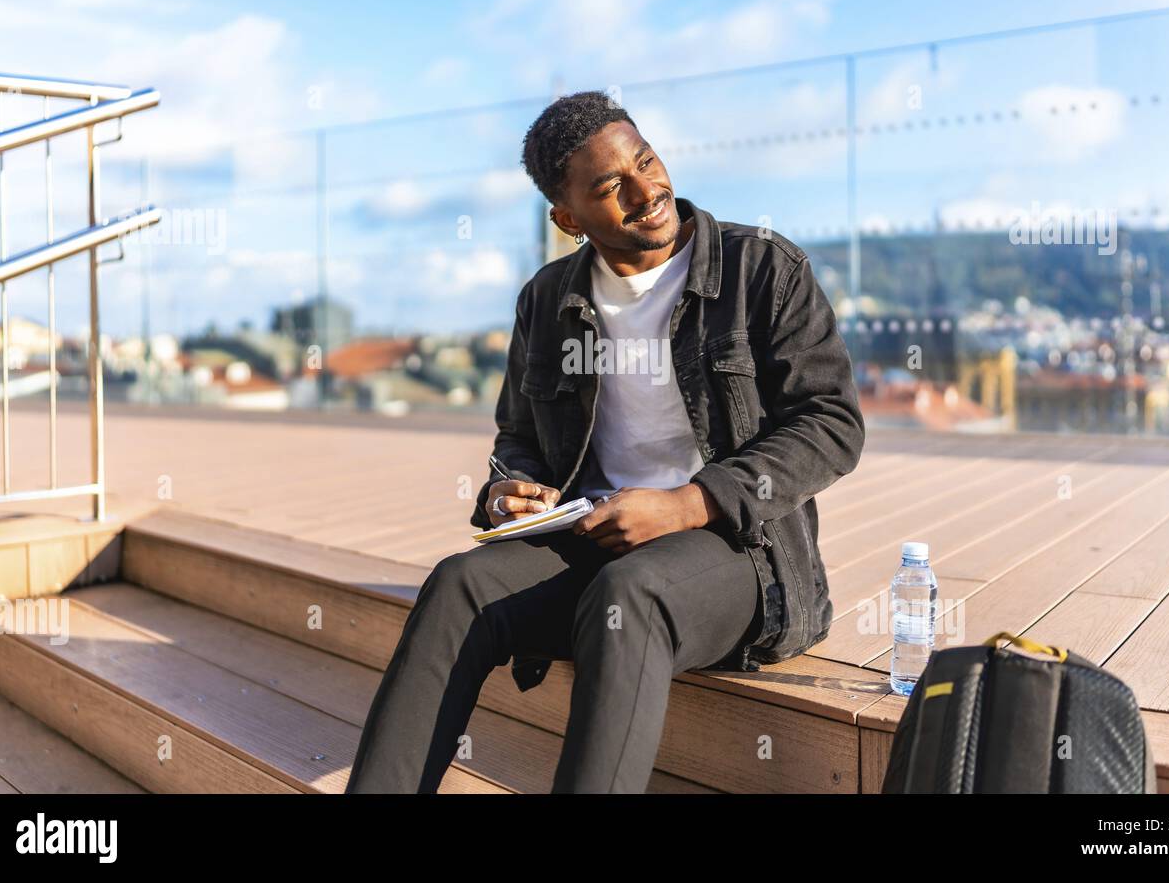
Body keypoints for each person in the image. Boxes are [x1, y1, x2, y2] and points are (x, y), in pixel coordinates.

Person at [346, 90, 864, 794]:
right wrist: (506, 491)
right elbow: (519, 437)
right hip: (592, 536)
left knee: (632, 595)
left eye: (647, 163)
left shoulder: (762, 269)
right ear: (568, 219)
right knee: (457, 585)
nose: (647, 192)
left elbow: (830, 422)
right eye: (610, 187)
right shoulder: (547, 299)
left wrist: (688, 503)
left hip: (742, 554)